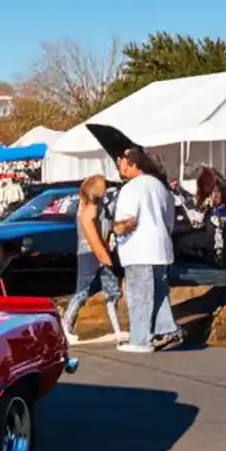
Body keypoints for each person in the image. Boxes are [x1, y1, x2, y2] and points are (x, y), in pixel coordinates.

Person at [111, 147, 183, 353]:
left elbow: (128, 221)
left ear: (133, 163)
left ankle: (140, 340)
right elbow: (170, 219)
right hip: (161, 248)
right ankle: (166, 329)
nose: (120, 166)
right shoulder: (160, 187)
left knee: (139, 295)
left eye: (122, 162)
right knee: (159, 293)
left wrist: (115, 230)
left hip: (138, 249)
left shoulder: (132, 188)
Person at [61, 175, 124, 344]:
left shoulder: (100, 206)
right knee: (82, 291)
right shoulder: (88, 208)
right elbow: (91, 235)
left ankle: (117, 328)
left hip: (99, 251)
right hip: (89, 252)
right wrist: (104, 256)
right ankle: (66, 326)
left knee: (111, 292)